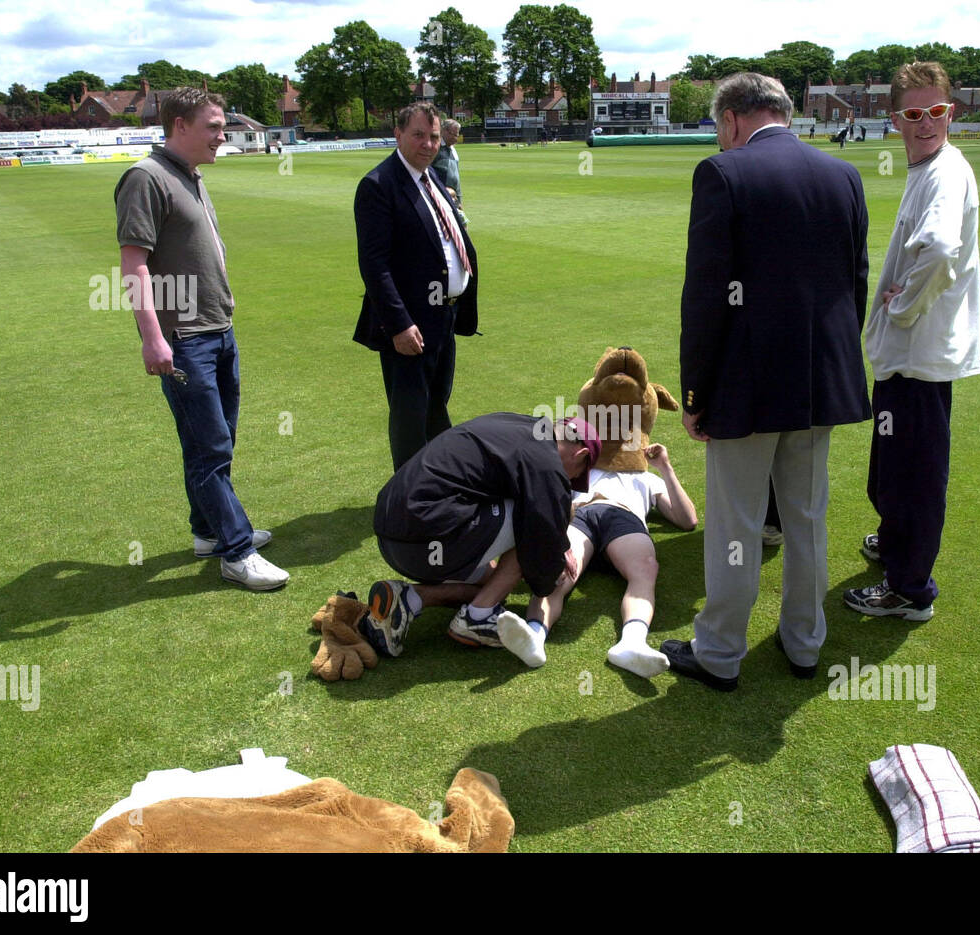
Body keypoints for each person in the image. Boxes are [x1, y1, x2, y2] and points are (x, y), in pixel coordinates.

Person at [670, 72, 872, 692]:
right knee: (807, 517)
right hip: (819, 379)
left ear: (732, 119)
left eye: (717, 127)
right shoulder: (845, 175)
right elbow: (854, 283)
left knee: (735, 525)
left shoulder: (723, 173)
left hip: (746, 385)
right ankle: (805, 643)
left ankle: (721, 652)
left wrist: (696, 393)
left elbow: (705, 296)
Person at [115, 87, 288, 591]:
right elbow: (134, 265)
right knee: (210, 447)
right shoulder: (145, 178)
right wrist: (152, 339)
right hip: (184, 338)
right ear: (179, 126)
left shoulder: (189, 175)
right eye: (213, 126)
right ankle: (235, 552)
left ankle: (208, 532)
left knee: (215, 443)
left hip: (218, 330)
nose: (222, 135)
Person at [843, 61, 980, 623]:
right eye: (914, 114)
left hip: (921, 355)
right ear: (896, 118)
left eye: (937, 112)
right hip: (909, 354)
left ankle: (909, 589)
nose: (927, 123)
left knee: (915, 472)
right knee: (891, 463)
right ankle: (896, 541)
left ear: (951, 111)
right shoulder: (928, 167)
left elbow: (942, 249)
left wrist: (900, 308)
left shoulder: (946, 172)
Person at [360, 414, 600, 656]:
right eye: (577, 474)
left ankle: (409, 599)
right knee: (536, 525)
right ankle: (477, 617)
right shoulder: (547, 461)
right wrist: (551, 566)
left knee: (493, 586)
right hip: (428, 539)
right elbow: (542, 539)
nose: (571, 480)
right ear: (580, 455)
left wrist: (557, 543)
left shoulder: (517, 426)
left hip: (393, 543)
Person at [495, 442, 698, 676]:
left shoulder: (646, 478)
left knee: (646, 568)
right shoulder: (582, 466)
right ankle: (534, 636)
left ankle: (632, 643)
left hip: (624, 517)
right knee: (557, 571)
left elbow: (688, 520)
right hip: (581, 512)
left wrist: (664, 466)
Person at [354, 102, 479, 470]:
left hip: (443, 315)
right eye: (419, 135)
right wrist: (398, 324)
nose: (428, 144)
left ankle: (436, 484)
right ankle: (408, 500)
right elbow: (374, 264)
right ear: (398, 135)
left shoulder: (431, 179)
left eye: (434, 136)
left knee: (436, 405)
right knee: (410, 412)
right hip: (411, 322)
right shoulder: (379, 185)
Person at [431, 118, 463, 207]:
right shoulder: (434, 149)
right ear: (444, 131)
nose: (456, 139)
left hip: (454, 197)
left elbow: (456, 177)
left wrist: (459, 199)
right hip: (440, 196)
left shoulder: (453, 149)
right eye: (454, 135)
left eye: (457, 135)